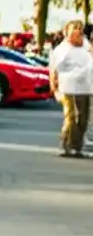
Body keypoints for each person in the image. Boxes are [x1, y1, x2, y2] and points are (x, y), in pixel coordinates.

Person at [48, 20, 93, 157]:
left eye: (79, 29)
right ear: (66, 32)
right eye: (74, 29)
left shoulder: (86, 46)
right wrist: (54, 89)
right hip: (68, 88)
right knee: (71, 118)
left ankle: (77, 147)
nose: (77, 31)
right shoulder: (61, 50)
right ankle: (66, 145)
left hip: (86, 88)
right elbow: (53, 71)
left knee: (83, 119)